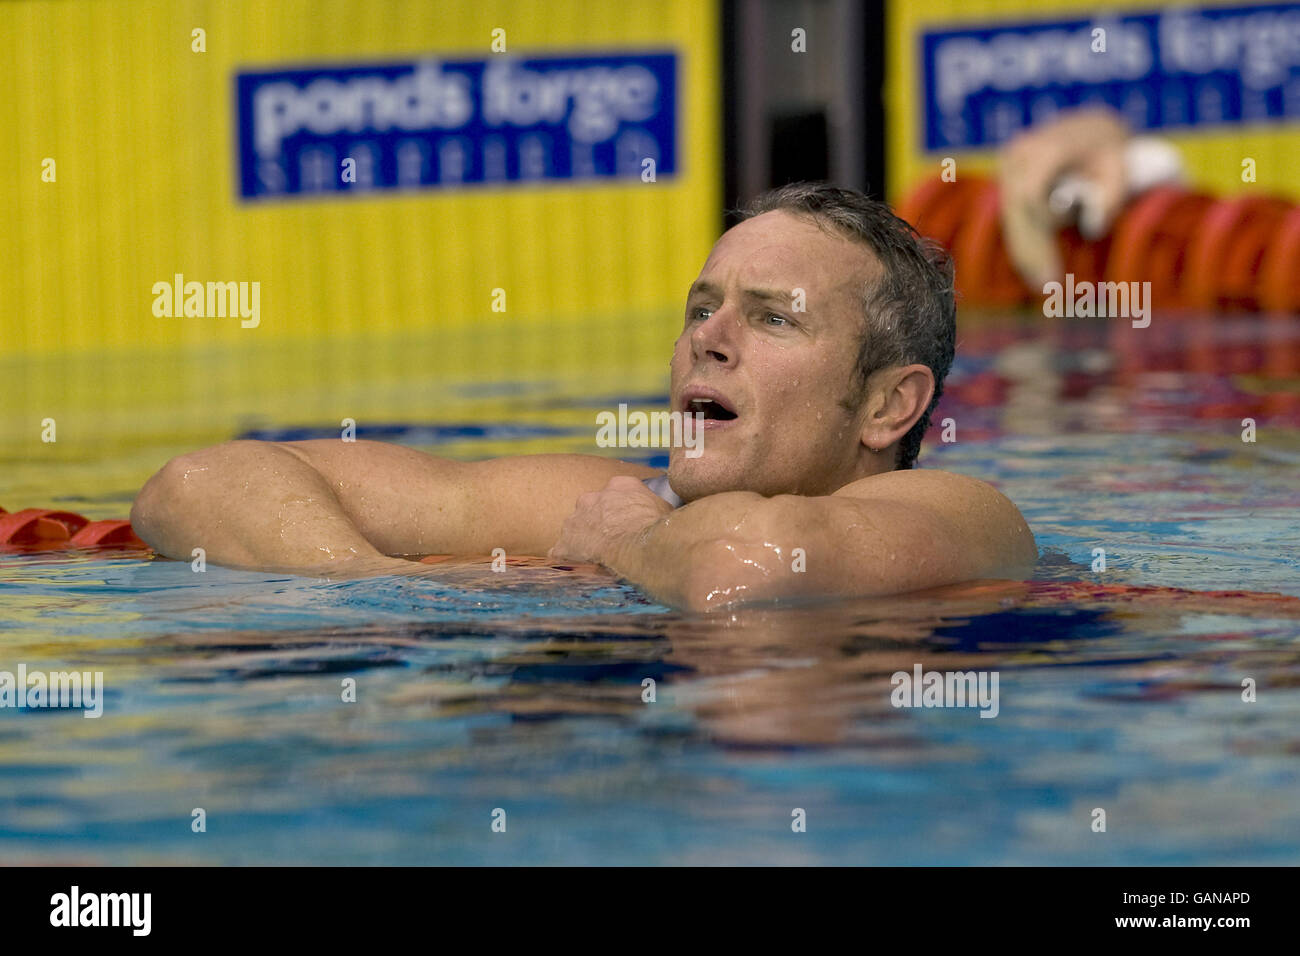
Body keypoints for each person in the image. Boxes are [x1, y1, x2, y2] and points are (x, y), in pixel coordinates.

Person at [130, 183, 1037, 611]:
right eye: (701, 307)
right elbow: (200, 482)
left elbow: (750, 569)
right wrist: (394, 591)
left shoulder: (961, 516)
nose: (706, 339)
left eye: (772, 320)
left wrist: (621, 544)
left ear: (890, 406)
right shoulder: (617, 500)